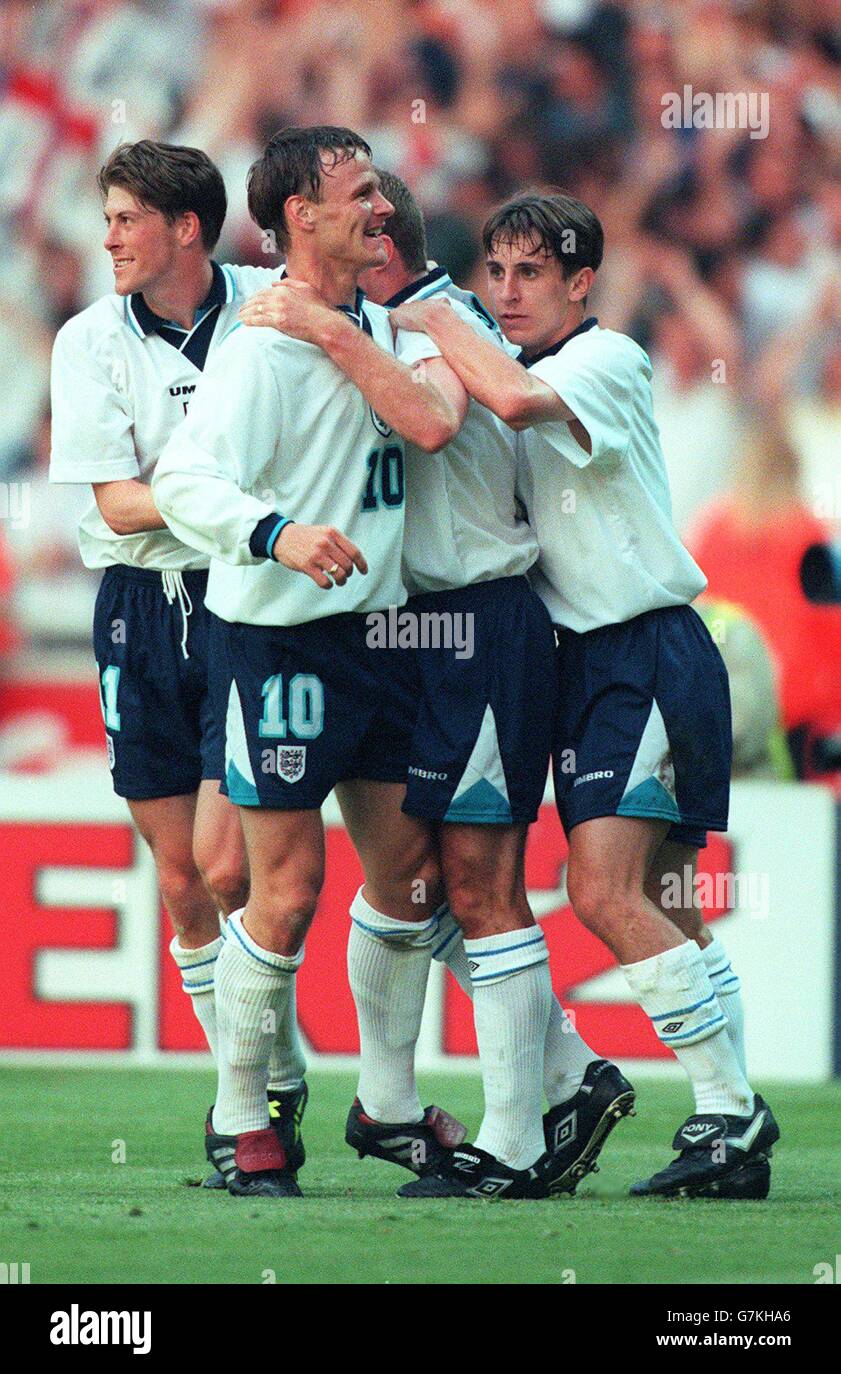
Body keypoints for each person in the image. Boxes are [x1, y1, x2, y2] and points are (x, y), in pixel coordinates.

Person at [240, 170, 636, 1199]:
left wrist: (323, 327)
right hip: (403, 631)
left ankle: (517, 1136)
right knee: (412, 879)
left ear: (381, 245)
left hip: (479, 622)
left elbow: (428, 421)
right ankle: (502, 1086)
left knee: (481, 882)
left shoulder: (436, 323)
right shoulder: (391, 319)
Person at [389, 189, 780, 1200]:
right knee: (667, 907)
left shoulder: (602, 360)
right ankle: (728, 1126)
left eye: (531, 273)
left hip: (641, 648)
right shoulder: (512, 363)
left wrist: (427, 309)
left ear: (581, 283)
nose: (508, 292)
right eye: (495, 272)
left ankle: (730, 1109)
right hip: (597, 660)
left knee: (605, 894)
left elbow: (516, 403)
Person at [152, 126, 468, 1198]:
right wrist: (276, 533)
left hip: (382, 637)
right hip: (280, 642)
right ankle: (244, 1116)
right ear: (300, 215)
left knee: (410, 880)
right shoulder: (259, 350)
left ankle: (384, 1103)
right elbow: (185, 481)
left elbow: (431, 424)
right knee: (284, 891)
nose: (382, 207)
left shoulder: (375, 326)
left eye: (379, 189)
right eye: (359, 192)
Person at [48, 141, 307, 1188]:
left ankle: (248, 1102)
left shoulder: (268, 310)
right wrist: (228, 494)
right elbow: (115, 505)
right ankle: (267, 1077)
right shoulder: (87, 340)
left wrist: (203, 498)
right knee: (180, 878)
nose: (108, 237)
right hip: (138, 607)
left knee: (226, 865)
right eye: (106, 217)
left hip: (245, 596)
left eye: (126, 218)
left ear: (186, 228)